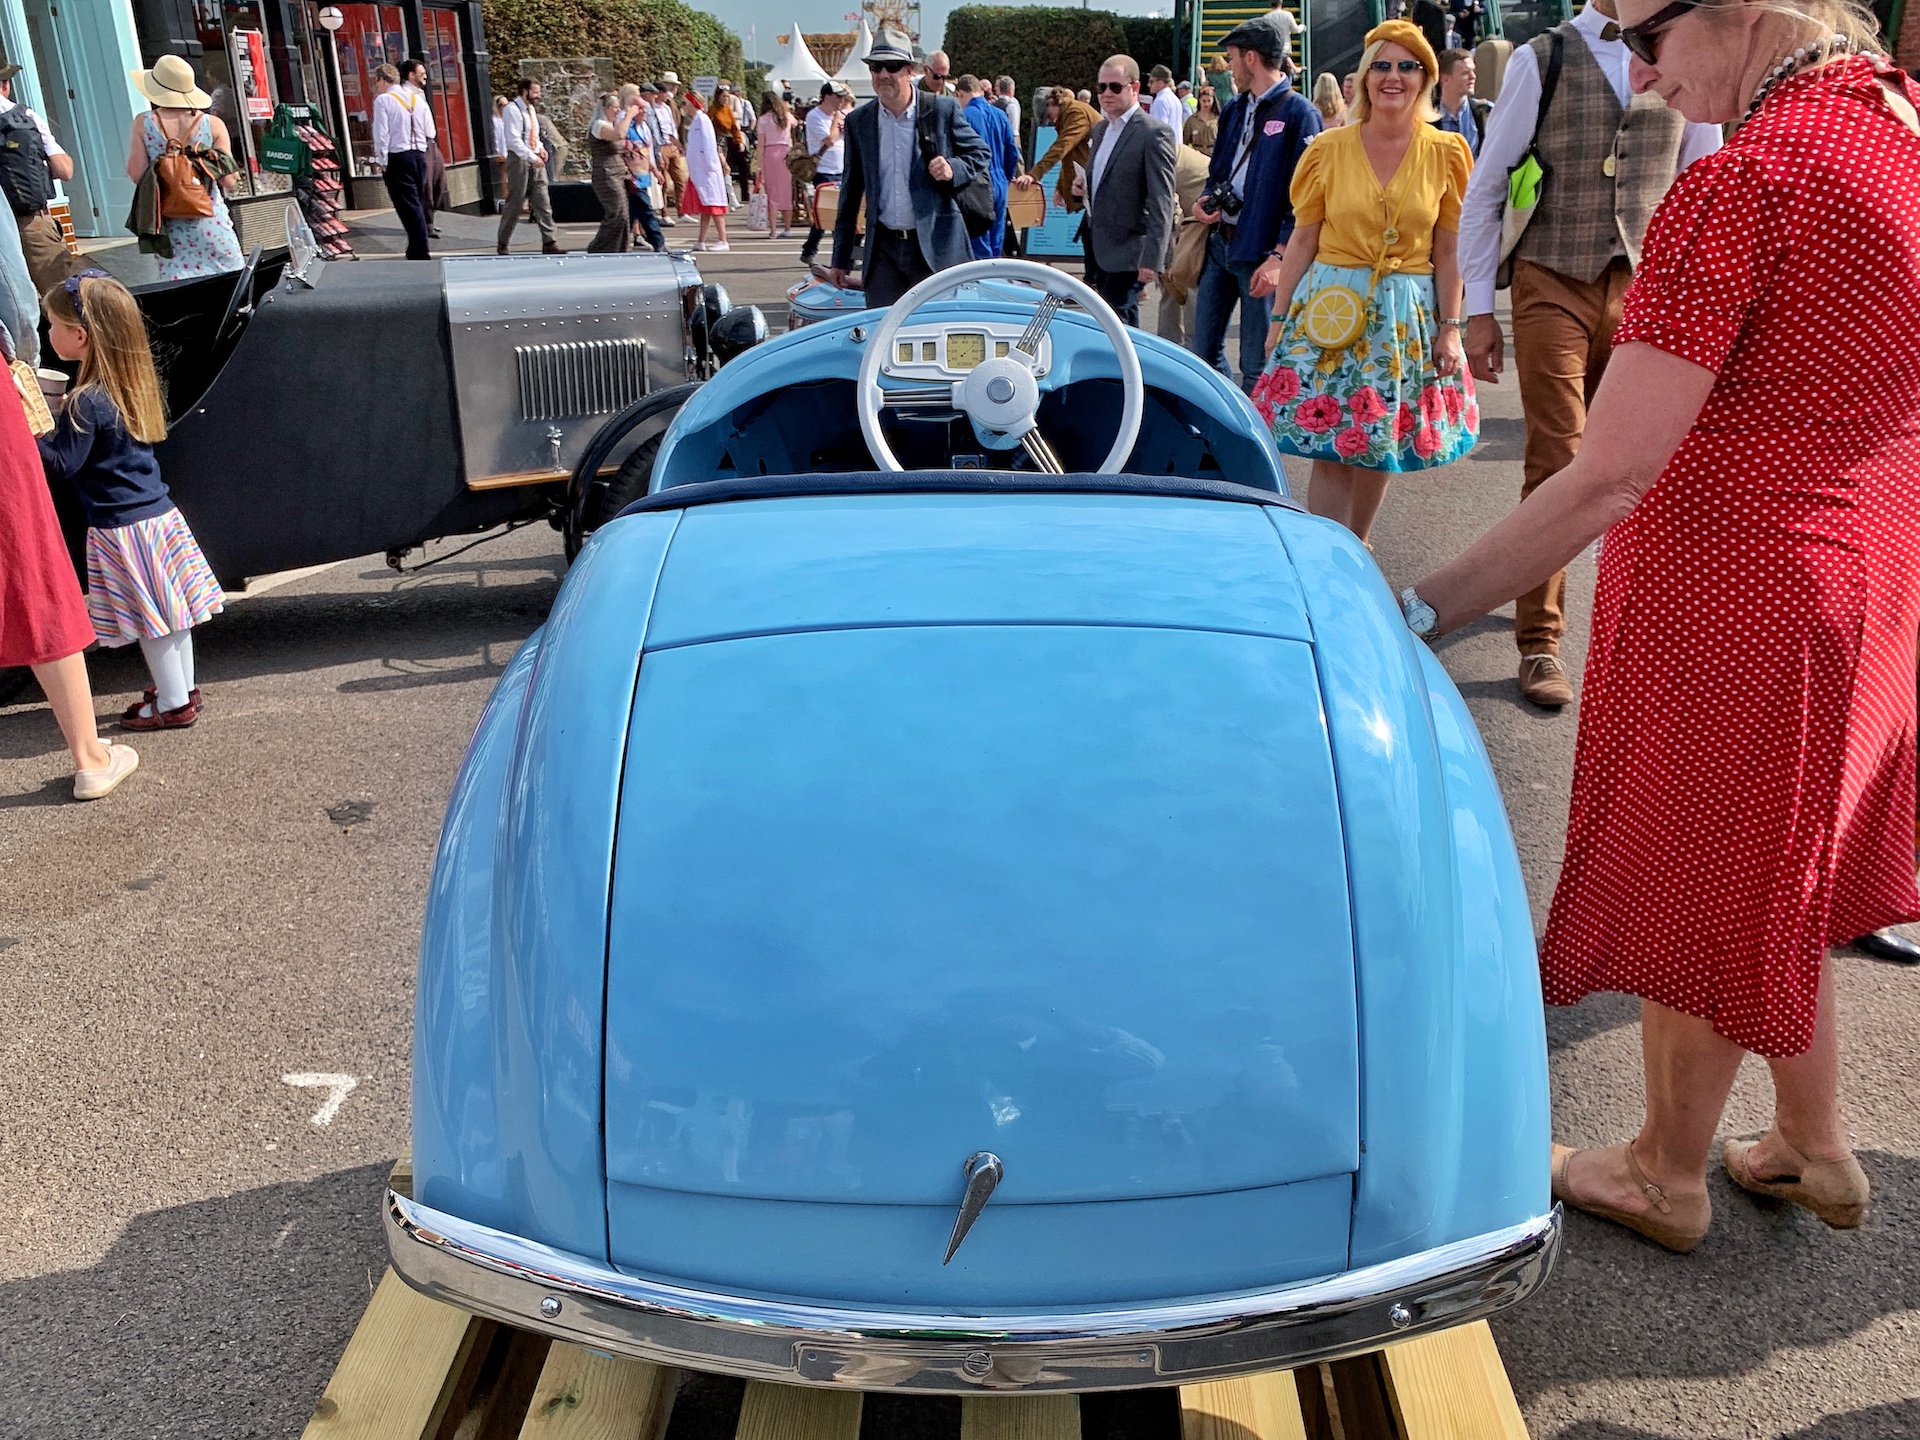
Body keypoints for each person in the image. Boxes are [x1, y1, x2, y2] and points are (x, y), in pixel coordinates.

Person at [1403, 0, 1920, 1254]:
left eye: (1644, 36)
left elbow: (1607, 474)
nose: (1636, 72)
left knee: (1699, 876)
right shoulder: (1897, 129)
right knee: (1782, 867)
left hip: (1743, 589)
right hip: (1873, 569)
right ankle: (1812, 1140)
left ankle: (1661, 1174)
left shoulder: (1744, 184)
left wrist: (1414, 607)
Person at [1458, 0, 1719, 706]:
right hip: (1552, 276)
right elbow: (1488, 186)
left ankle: (1650, 639)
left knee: (1646, 471)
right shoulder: (1539, 57)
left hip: (1646, 288)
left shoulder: (1687, 53)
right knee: (1559, 455)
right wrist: (1478, 311)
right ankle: (1540, 641)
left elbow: (1705, 181)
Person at [1250, 20, 1476, 541]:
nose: (1393, 76)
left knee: (1377, 443)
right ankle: (1327, 554)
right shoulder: (1328, 148)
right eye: (1381, 66)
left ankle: (1358, 547)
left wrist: (1451, 328)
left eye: (1407, 66)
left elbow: (1448, 249)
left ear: (1425, 79)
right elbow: (1303, 239)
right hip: (1331, 309)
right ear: (1365, 77)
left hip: (1404, 315)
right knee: (1329, 442)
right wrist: (1279, 319)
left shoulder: (1446, 151)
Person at [40, 270, 222, 732]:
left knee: (149, 619)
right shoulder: (126, 385)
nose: (48, 332)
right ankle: (182, 689)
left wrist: (29, 430)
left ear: (79, 336)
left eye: (53, 324)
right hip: (157, 517)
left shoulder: (85, 400)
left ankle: (174, 704)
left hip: (122, 528)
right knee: (173, 612)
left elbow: (61, 464)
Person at [1190, 14, 1323, 393]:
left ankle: (1253, 427)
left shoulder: (1301, 114)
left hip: (1262, 254)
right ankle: (1224, 419)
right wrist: (1205, 198)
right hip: (1221, 243)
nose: (1229, 68)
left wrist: (1280, 255)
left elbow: (1308, 197)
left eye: (1232, 58)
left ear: (1251, 58)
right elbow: (1218, 169)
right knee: (1201, 353)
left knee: (1256, 362)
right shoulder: (1234, 108)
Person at [829, 30, 991, 307]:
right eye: (876, 67)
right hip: (883, 251)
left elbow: (980, 153)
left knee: (934, 328)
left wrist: (953, 168)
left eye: (892, 66)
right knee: (883, 328)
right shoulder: (860, 121)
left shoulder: (941, 110)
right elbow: (850, 191)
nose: (883, 74)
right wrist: (840, 258)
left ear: (909, 70)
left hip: (934, 247)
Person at [1073, 56, 1177, 326]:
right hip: (1099, 248)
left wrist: (1153, 258)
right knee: (1115, 326)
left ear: (1135, 88)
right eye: (1102, 87)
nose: (1107, 93)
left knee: (1115, 324)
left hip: (1131, 251)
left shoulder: (1153, 133)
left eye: (1115, 87)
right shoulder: (1101, 129)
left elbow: (1162, 199)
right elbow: (1105, 178)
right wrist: (1082, 187)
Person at [126, 56, 243, 284]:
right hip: (211, 223)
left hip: (170, 228)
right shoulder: (212, 124)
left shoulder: (144, 122)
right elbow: (230, 181)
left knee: (181, 293)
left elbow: (136, 173)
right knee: (229, 287)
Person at [0, 64, 80, 295]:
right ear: (5, 85)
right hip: (31, 223)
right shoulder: (25, 117)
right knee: (62, 299)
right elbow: (64, 170)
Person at [1011, 85, 1100, 272]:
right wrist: (1061, 187)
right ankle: (1094, 279)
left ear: (1052, 103)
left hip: (1102, 180)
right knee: (1090, 235)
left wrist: (1033, 174)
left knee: (1094, 236)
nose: (1050, 120)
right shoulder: (1069, 113)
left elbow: (1061, 148)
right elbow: (1069, 156)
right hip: (1095, 178)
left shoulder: (1076, 113)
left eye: (1048, 115)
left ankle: (1097, 280)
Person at [372, 59, 435, 260]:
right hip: (419, 155)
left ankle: (420, 250)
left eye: (376, 81)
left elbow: (381, 134)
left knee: (408, 205)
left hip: (398, 156)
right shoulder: (417, 99)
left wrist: (382, 160)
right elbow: (430, 131)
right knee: (417, 201)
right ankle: (415, 247)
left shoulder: (383, 100)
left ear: (383, 80)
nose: (376, 86)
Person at [1155, 139, 1214, 345]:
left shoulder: (1154, 149)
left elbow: (1167, 203)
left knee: (1188, 274)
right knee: (1169, 280)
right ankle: (1168, 342)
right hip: (1191, 206)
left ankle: (1192, 345)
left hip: (1201, 209)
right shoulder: (1149, 143)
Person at [956, 74, 1019, 259]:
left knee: (979, 241)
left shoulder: (964, 116)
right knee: (996, 240)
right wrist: (1006, 178)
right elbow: (1012, 152)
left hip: (977, 184)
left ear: (960, 94)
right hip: (1000, 180)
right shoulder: (1000, 114)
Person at [497, 78, 563, 255]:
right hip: (519, 160)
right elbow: (513, 140)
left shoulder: (531, 110)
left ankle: (550, 242)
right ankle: (503, 242)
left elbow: (533, 135)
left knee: (543, 200)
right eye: (535, 92)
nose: (537, 96)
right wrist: (531, 156)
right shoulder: (512, 109)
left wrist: (540, 148)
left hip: (534, 158)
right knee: (516, 201)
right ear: (525, 91)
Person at [799, 81, 851, 265]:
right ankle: (814, 250)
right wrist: (837, 122)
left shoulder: (842, 115)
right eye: (838, 97)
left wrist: (843, 127)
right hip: (824, 171)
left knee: (839, 213)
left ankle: (836, 253)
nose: (841, 101)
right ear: (827, 97)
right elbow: (829, 140)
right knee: (827, 213)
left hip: (842, 169)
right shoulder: (815, 116)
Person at [681, 91, 731, 251]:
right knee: (706, 207)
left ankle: (723, 240)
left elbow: (709, 144)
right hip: (699, 171)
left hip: (706, 171)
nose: (684, 106)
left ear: (693, 103)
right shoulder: (697, 120)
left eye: (685, 103)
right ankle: (701, 240)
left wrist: (711, 166)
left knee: (714, 205)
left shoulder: (703, 120)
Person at [585, 92, 632, 252]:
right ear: (605, 109)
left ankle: (619, 248)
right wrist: (629, 115)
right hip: (606, 174)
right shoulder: (599, 125)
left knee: (623, 214)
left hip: (617, 174)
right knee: (617, 213)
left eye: (619, 107)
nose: (618, 111)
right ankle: (597, 248)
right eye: (615, 107)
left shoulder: (610, 125)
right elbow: (619, 134)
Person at [622, 92, 667, 253]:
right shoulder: (626, 127)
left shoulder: (643, 127)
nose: (644, 111)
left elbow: (645, 152)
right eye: (640, 108)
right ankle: (658, 242)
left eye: (644, 108)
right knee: (646, 210)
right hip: (633, 178)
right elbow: (623, 153)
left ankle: (618, 242)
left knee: (631, 213)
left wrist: (655, 171)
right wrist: (628, 173)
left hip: (644, 176)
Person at [1431, 48, 1489, 156]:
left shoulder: (1486, 113)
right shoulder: (1427, 118)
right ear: (1445, 79)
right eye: (1465, 73)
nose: (1473, 77)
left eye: (1473, 71)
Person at [757, 90, 798, 238]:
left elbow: (760, 145)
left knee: (772, 192)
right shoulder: (786, 116)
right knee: (786, 191)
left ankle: (773, 230)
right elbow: (796, 123)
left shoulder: (763, 120)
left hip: (770, 153)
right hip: (786, 152)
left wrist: (759, 166)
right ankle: (787, 228)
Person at [713, 82, 752, 206]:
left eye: (727, 96)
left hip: (729, 140)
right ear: (718, 97)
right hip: (718, 141)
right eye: (723, 96)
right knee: (724, 168)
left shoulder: (728, 110)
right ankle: (727, 197)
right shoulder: (713, 110)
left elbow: (734, 127)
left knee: (739, 165)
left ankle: (737, 196)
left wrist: (740, 141)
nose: (726, 99)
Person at [650, 83, 684, 225]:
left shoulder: (667, 108)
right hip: (661, 146)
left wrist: (677, 143)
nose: (667, 96)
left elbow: (672, 126)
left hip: (671, 145)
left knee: (679, 179)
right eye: (664, 93)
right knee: (664, 181)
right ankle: (664, 212)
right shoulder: (652, 109)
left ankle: (682, 210)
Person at [1185, 80, 1222, 151]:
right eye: (1204, 101)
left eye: (1209, 101)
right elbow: (1185, 140)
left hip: (1213, 153)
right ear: (1199, 100)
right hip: (1196, 152)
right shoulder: (1192, 120)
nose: (1206, 104)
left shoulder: (1218, 119)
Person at [1148, 64, 1187, 131]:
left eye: (1151, 82)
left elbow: (1160, 130)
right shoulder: (1175, 99)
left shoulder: (1160, 101)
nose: (1148, 85)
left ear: (1160, 83)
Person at [994, 76, 1022, 141]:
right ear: (1010, 90)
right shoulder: (1011, 106)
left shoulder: (992, 105)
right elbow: (1014, 132)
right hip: (1007, 141)